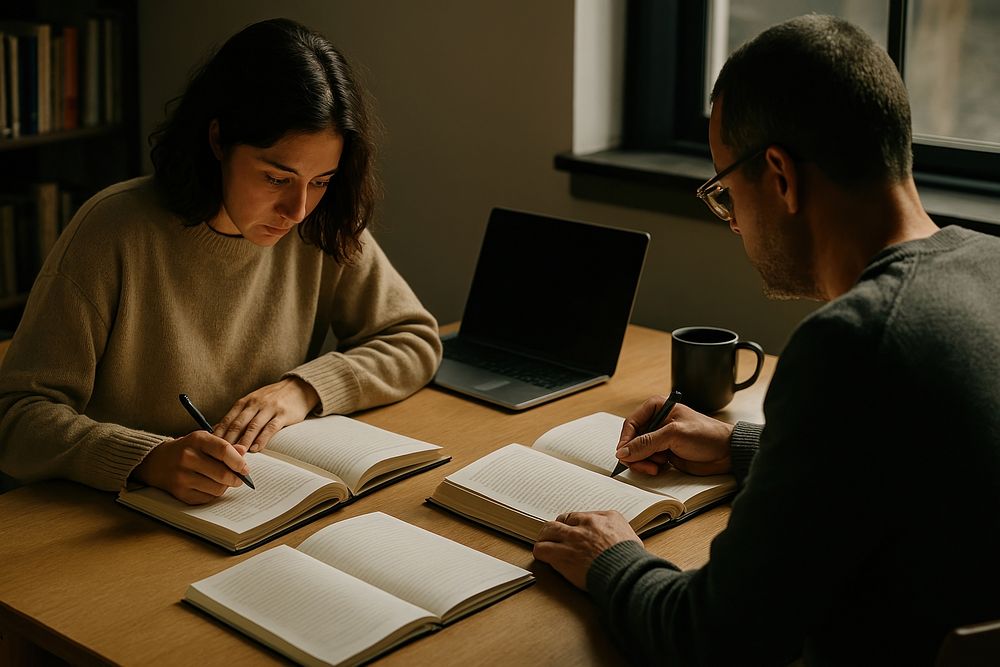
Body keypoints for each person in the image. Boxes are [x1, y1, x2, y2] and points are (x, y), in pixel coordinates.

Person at [533, 14, 1000, 665]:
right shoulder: (989, 268)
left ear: (779, 175)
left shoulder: (852, 343)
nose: (731, 224)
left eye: (725, 190)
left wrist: (610, 557)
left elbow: (712, 639)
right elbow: (927, 466)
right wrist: (746, 447)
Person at [0, 18, 441, 505]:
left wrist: (303, 389)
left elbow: (414, 340)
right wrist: (144, 458)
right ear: (217, 141)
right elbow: (17, 415)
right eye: (276, 178)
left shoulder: (321, 222)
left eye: (321, 180)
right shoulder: (112, 231)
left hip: (255, 503)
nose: (297, 209)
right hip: (119, 515)